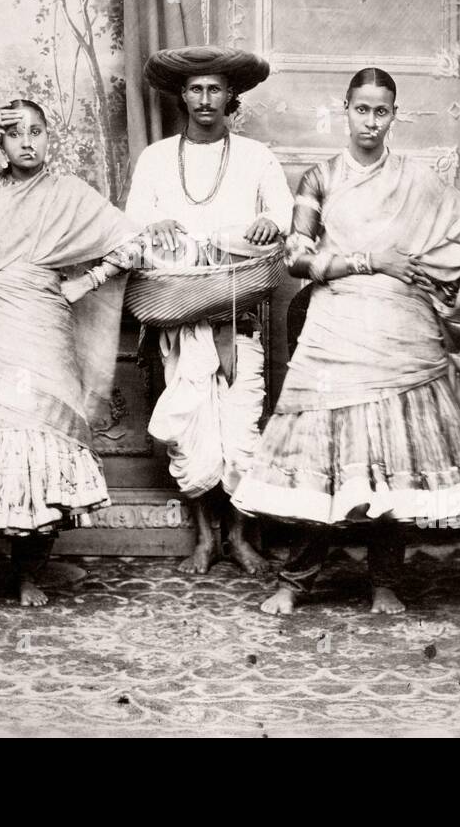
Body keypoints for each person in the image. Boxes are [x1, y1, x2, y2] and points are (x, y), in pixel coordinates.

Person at [231, 67, 460, 614]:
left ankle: (383, 581)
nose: (370, 121)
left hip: (402, 332)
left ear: (393, 116)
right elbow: (296, 256)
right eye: (361, 109)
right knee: (320, 464)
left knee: (391, 464)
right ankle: (294, 581)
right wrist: (370, 260)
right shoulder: (320, 178)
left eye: (381, 111)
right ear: (345, 110)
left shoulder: (416, 179)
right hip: (336, 332)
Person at [0, 99, 144, 616]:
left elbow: (133, 243)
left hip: (45, 328)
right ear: (1, 143)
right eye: (16, 134)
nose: (28, 142)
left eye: (37, 132)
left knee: (44, 444)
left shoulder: (68, 195)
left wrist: (88, 280)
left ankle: (27, 572)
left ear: (48, 138)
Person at [125, 46, 294, 575]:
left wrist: (269, 222)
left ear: (231, 97)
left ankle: (240, 538)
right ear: (182, 95)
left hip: (238, 319)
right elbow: (134, 225)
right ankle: (203, 537)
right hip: (179, 320)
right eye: (195, 89)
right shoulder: (155, 158)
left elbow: (282, 215)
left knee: (242, 436)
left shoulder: (256, 157)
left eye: (215, 89)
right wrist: (154, 228)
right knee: (191, 435)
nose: (205, 99)